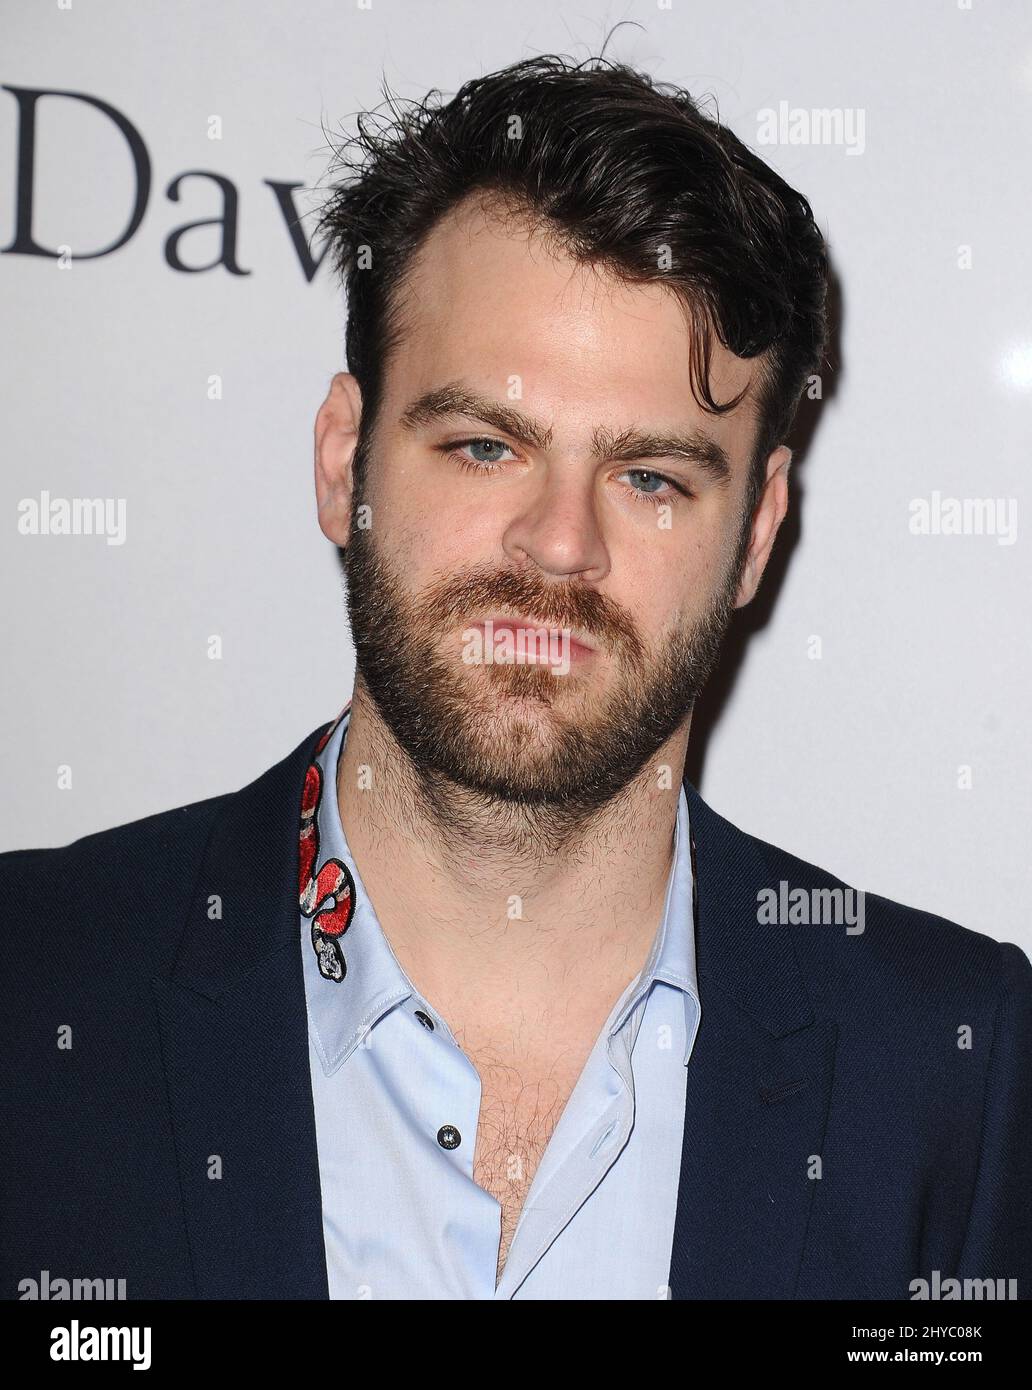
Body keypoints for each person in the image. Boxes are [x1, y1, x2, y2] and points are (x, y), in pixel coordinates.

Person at [3, 52, 1029, 1302]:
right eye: (486, 445)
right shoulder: (35, 988)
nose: (560, 543)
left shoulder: (952, 1072)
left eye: (651, 476)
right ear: (345, 462)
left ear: (756, 532)